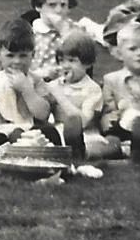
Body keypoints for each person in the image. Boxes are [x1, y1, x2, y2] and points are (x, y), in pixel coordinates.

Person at [0, 17, 65, 161]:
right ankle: (11, 156)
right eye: (10, 56)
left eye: (23, 56)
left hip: (32, 131)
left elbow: (43, 114)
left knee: (49, 132)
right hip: (3, 130)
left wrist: (27, 89)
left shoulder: (37, 81)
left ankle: (36, 156)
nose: (17, 61)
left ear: (33, 55)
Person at [47, 29, 119, 160]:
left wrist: (59, 96)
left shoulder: (92, 88)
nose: (65, 66)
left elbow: (84, 121)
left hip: (87, 136)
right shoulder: (55, 85)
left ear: (87, 63)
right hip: (59, 133)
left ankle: (79, 153)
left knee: (101, 146)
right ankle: (66, 152)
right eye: (61, 60)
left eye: (72, 60)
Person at [23, 0, 106, 82]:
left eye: (63, 5)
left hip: (71, 87)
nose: (59, 10)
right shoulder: (30, 33)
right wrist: (42, 74)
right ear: (38, 6)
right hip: (39, 85)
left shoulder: (75, 31)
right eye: (52, 5)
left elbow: (85, 59)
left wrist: (64, 30)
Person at [100, 21, 140, 160]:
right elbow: (108, 111)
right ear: (120, 53)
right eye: (133, 49)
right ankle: (128, 148)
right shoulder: (111, 80)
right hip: (121, 129)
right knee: (112, 141)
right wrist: (114, 116)